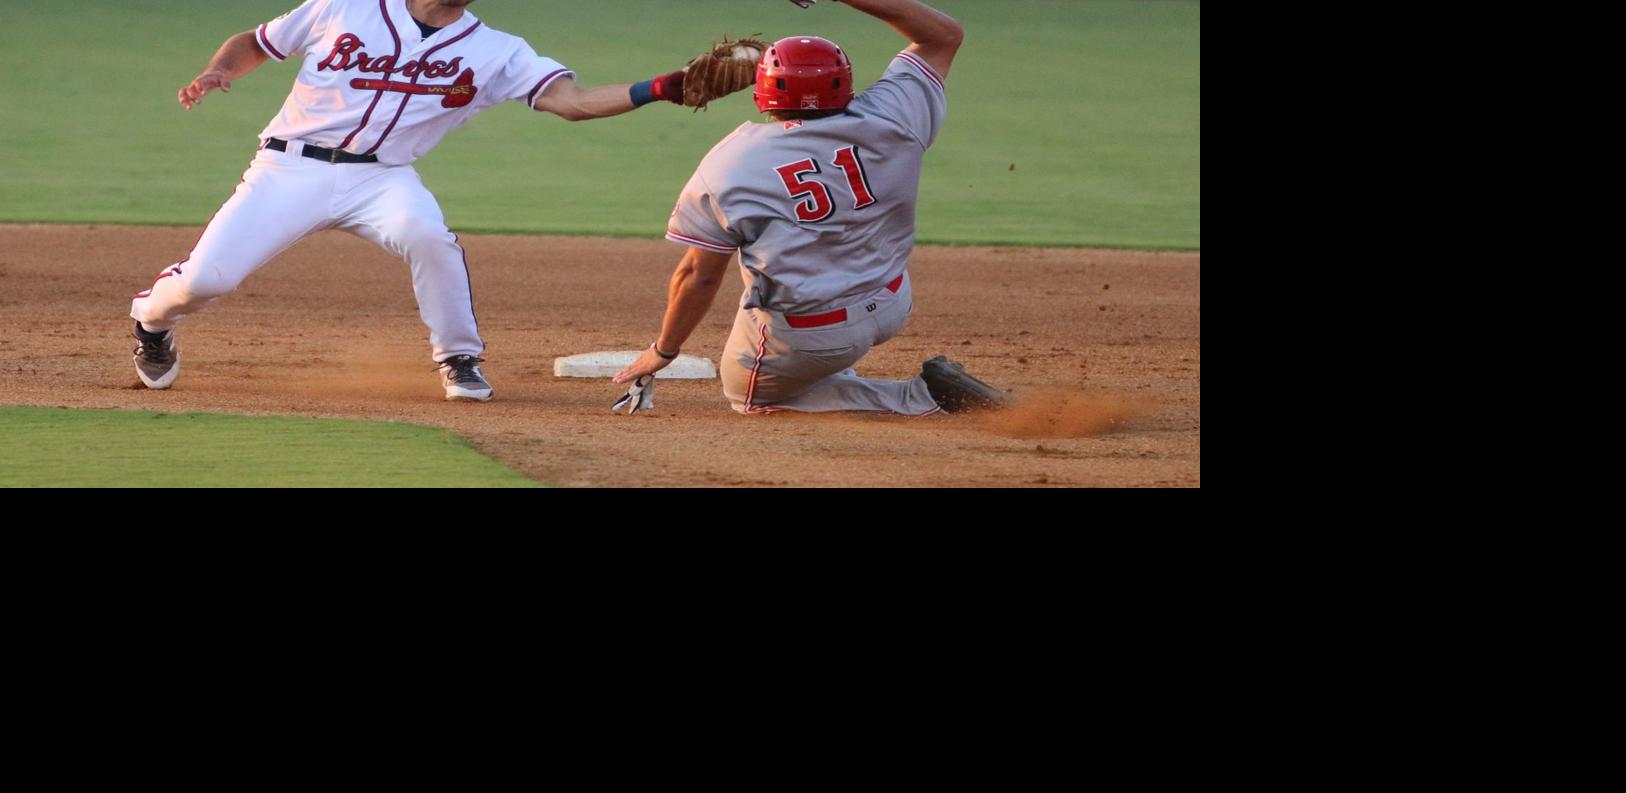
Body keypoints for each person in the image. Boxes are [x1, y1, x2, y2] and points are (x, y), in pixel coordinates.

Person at [130, 0, 698, 401]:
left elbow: (572, 101)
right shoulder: (345, 8)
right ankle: (151, 322)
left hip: (382, 177)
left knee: (428, 235)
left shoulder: (498, 50)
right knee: (206, 281)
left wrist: (656, 89)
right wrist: (218, 71)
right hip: (288, 168)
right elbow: (256, 42)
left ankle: (458, 358)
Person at [611, 0, 1011, 415]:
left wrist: (664, 349)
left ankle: (923, 398)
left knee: (749, 395)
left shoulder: (730, 165)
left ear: (762, 92)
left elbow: (699, 275)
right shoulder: (894, 114)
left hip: (812, 336)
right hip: (892, 301)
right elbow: (944, 35)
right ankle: (827, 365)